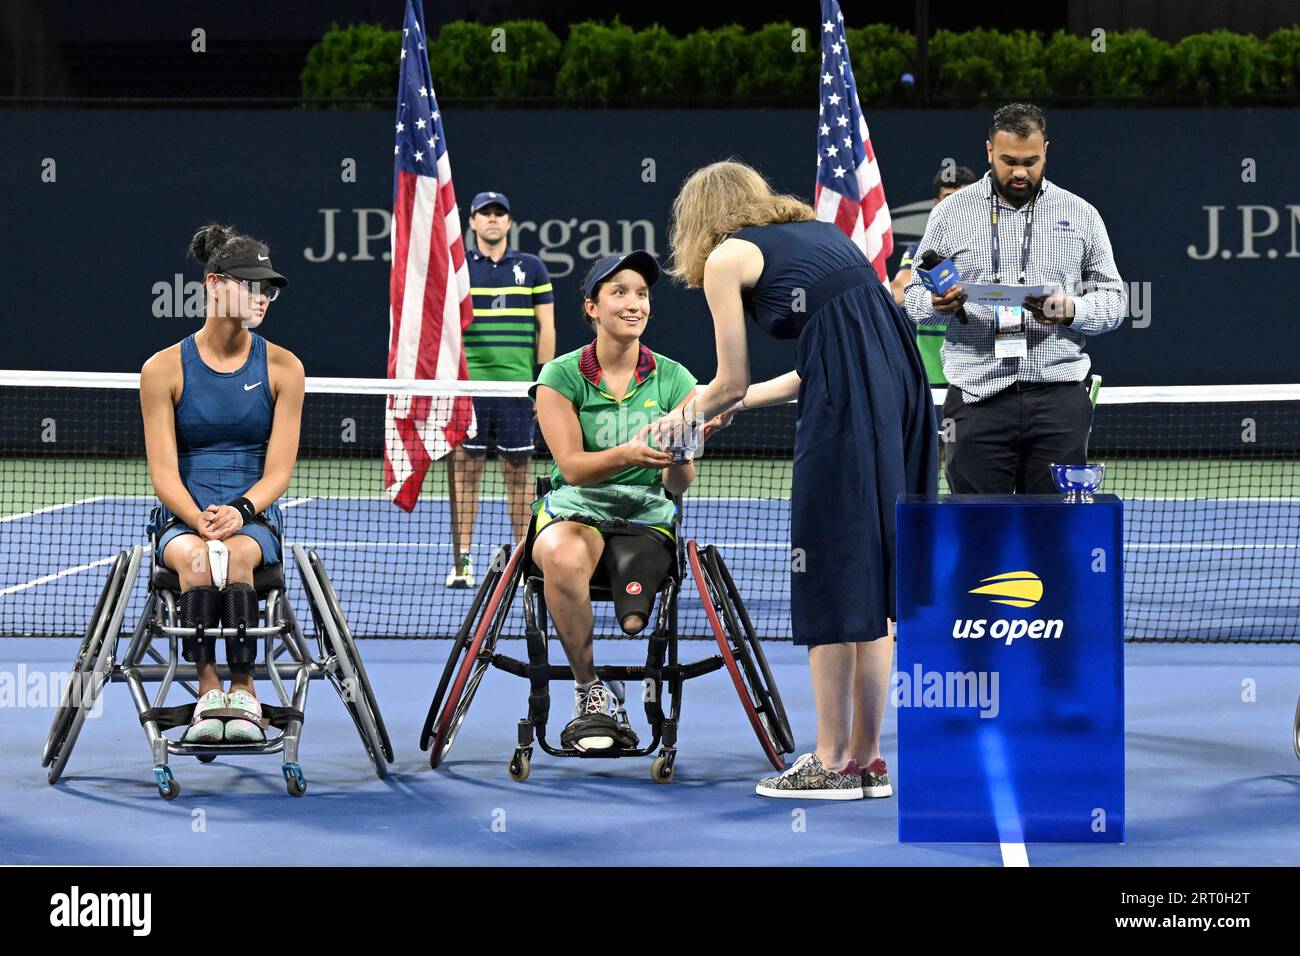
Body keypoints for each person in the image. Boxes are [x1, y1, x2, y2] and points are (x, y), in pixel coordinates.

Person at [662, 160, 937, 800]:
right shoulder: (823, 234)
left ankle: (830, 758)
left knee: (829, 580)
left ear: (698, 218)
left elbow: (727, 378)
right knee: (872, 582)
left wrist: (678, 419)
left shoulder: (727, 258)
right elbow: (826, 360)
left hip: (848, 416)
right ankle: (867, 761)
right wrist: (734, 404)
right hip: (899, 400)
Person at [903, 103, 1126, 493]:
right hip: (977, 401)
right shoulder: (950, 213)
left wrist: (1072, 309)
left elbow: (1115, 301)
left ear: (1047, 152)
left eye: (1031, 161)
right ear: (989, 151)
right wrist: (938, 306)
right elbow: (915, 298)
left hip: (1058, 398)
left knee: (1054, 531)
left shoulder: (1082, 214)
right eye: (1009, 160)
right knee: (978, 530)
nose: (1020, 171)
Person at [529, 251, 702, 753]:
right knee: (561, 555)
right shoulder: (559, 376)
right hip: (577, 507)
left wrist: (681, 451)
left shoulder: (675, 380)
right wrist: (627, 452)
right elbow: (573, 465)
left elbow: (682, 482)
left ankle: (629, 672)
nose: (634, 303)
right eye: (619, 293)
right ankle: (590, 690)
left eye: (642, 294)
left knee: (633, 622)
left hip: (645, 516)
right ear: (592, 307)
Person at [141, 223, 303, 744]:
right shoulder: (161, 369)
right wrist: (198, 520)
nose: (262, 298)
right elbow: (164, 473)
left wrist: (241, 511)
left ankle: (245, 685)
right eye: (249, 285)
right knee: (195, 559)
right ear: (214, 284)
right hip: (183, 514)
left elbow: (278, 470)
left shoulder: (285, 367)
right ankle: (208, 688)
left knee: (233, 558)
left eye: (268, 289)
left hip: (252, 515)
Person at [447, 190, 556, 588]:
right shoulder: (457, 270)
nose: (492, 219)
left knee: (518, 475)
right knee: (465, 473)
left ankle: (526, 560)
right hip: (470, 390)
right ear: (472, 222)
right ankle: (462, 562)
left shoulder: (532, 268)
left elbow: (547, 328)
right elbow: (445, 330)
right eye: (484, 214)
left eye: (499, 214)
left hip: (517, 390)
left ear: (508, 222)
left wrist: (542, 384)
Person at [889, 164, 980, 389]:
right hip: (932, 374)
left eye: (963, 198)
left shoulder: (988, 250)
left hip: (978, 368)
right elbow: (902, 286)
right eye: (949, 198)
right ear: (937, 204)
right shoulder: (920, 250)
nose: (956, 206)